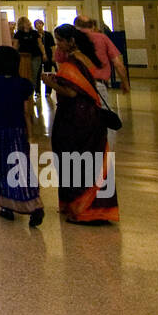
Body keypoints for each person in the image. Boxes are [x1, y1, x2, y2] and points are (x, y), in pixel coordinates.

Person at [43, 24, 119, 224]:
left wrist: (49, 82)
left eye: (60, 40)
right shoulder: (84, 58)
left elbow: (72, 92)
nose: (57, 44)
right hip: (88, 117)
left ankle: (82, 208)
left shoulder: (73, 62)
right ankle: (91, 208)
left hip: (76, 118)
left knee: (75, 158)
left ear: (71, 41)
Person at [0, 46, 43, 227]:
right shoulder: (23, 84)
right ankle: (32, 202)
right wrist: (30, 135)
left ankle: (8, 206)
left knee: (2, 168)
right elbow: (26, 112)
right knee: (21, 166)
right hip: (18, 131)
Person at [55, 16, 130, 108]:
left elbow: (61, 66)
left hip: (76, 86)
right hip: (98, 84)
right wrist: (125, 82)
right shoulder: (102, 38)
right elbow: (117, 64)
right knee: (101, 116)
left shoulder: (65, 42)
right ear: (93, 26)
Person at [12, 17, 43, 95]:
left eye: (28, 22)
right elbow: (15, 46)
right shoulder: (18, 34)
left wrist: (44, 54)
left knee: (34, 75)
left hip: (36, 56)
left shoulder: (34, 33)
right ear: (22, 24)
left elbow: (40, 44)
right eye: (26, 22)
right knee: (24, 74)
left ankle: (31, 93)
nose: (28, 23)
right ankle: (24, 93)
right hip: (23, 57)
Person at [34, 19, 56, 98]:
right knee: (37, 73)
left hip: (48, 55)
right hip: (38, 56)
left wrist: (53, 55)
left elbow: (53, 46)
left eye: (40, 23)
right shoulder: (35, 35)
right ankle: (37, 91)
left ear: (43, 24)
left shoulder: (48, 34)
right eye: (37, 24)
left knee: (48, 73)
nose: (39, 25)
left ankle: (48, 91)